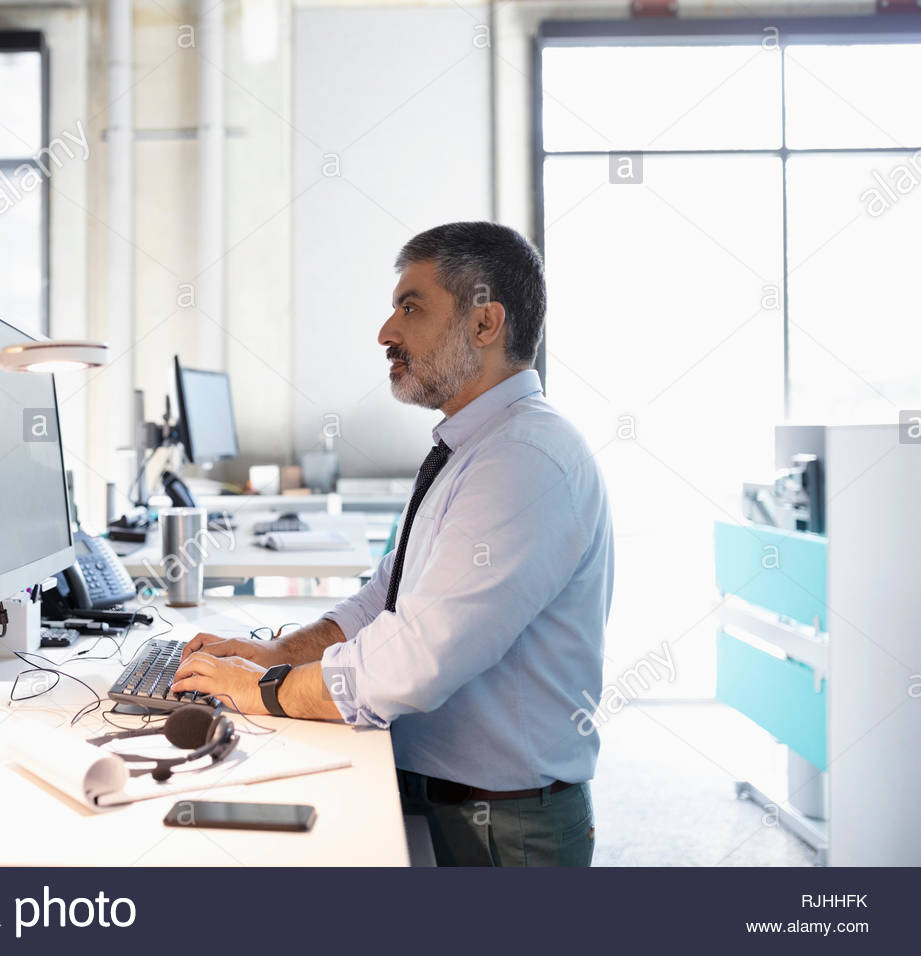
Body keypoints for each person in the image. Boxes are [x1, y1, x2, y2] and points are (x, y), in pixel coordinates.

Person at [172, 221, 614, 866]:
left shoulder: (525, 459)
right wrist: (273, 652)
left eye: (411, 307)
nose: (387, 332)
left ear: (485, 324)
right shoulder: (473, 445)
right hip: (449, 795)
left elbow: (416, 661)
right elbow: (389, 595)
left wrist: (264, 689)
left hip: (505, 826)